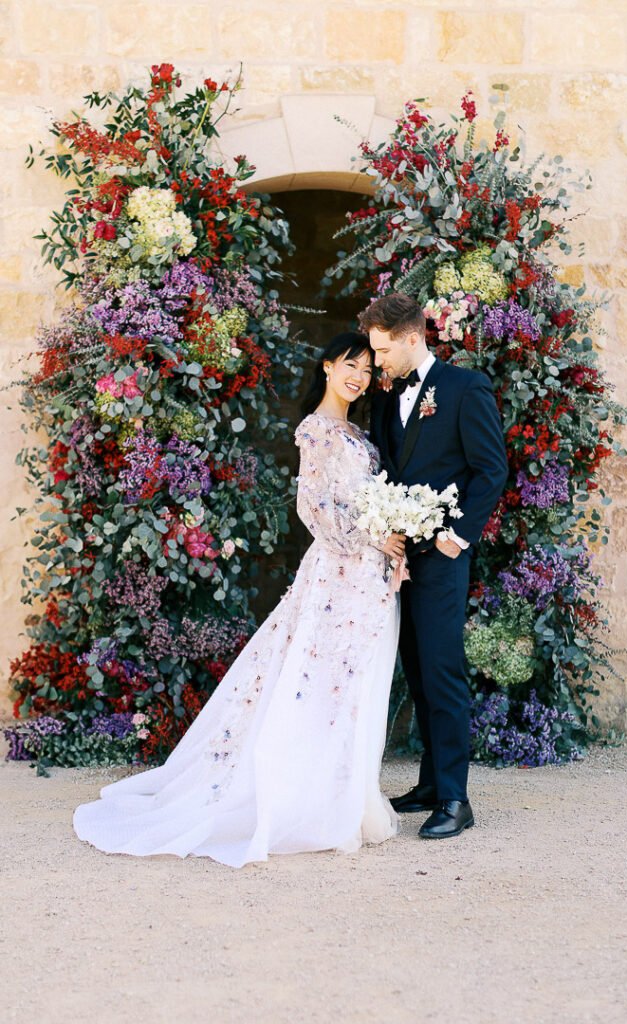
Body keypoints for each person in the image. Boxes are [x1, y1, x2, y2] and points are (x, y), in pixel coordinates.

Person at [73, 332, 406, 868]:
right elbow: (314, 510)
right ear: (327, 365)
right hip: (338, 577)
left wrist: (392, 533)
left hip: (369, 578)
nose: (359, 377)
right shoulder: (318, 431)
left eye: (368, 370)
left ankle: (345, 794)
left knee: (354, 682)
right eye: (351, 365)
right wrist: (374, 536)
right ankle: (308, 801)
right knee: (319, 679)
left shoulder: (360, 434)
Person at [361, 293, 508, 840]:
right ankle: (429, 782)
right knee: (418, 673)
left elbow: (491, 470)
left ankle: (455, 798)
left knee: (443, 675)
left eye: (382, 351)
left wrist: (457, 538)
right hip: (399, 563)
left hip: (442, 560)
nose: (377, 362)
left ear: (411, 337)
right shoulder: (388, 396)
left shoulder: (464, 388)